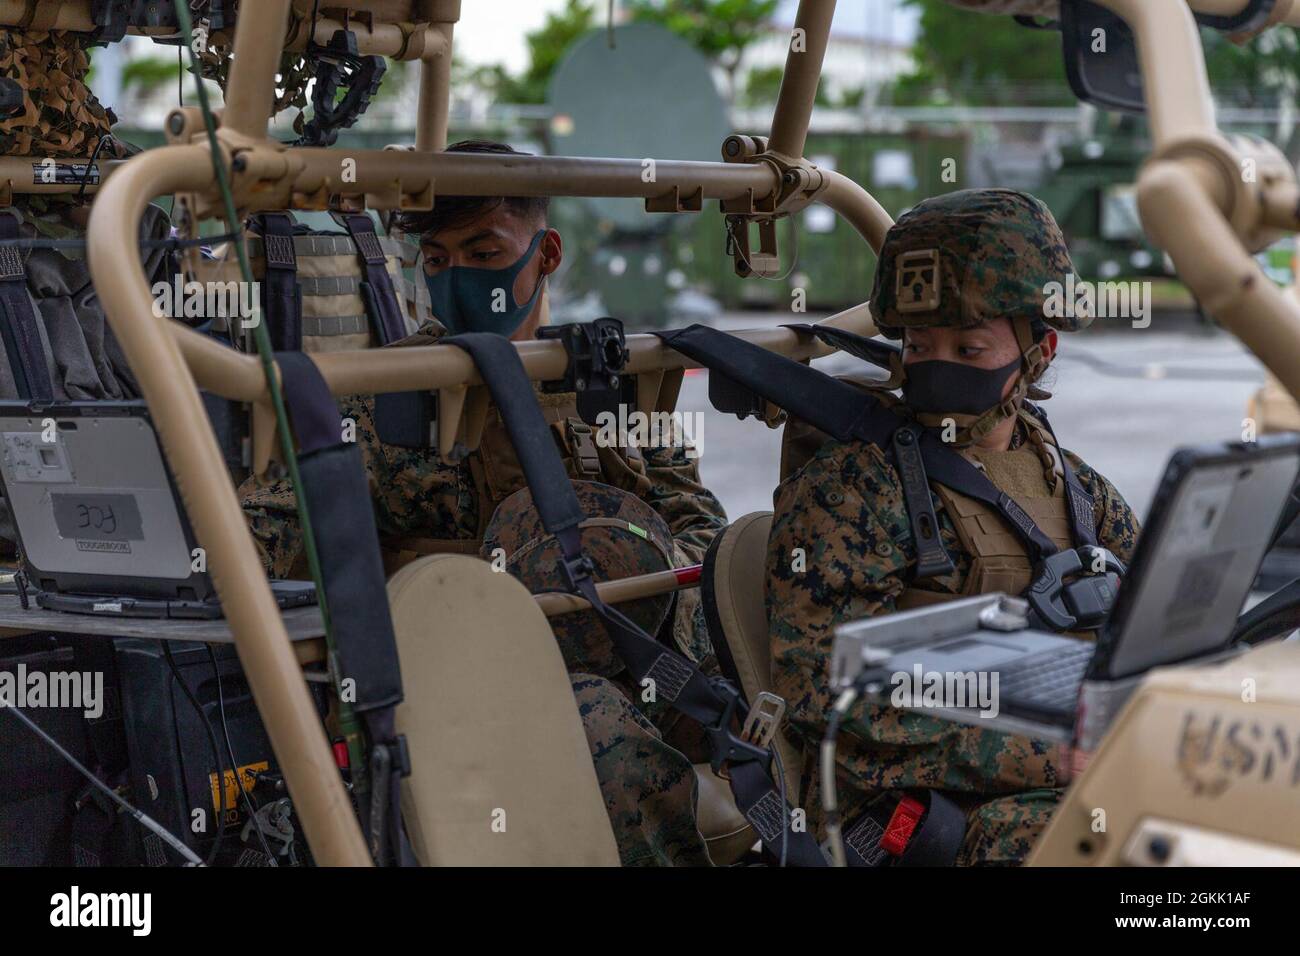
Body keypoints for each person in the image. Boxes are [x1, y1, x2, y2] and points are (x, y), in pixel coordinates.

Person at [240, 140, 728, 866]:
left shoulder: (607, 378)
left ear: (547, 253)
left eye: (482, 250)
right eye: (436, 261)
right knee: (602, 739)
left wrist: (638, 579)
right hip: (469, 684)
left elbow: (700, 530)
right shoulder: (390, 394)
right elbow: (269, 530)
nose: (458, 278)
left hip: (639, 665)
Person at [765, 188, 1141, 865]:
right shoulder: (852, 489)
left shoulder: (1077, 489)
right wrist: (1048, 758)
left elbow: (1146, 634)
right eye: (919, 346)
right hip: (929, 809)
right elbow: (832, 703)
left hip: (1071, 766)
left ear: (1040, 350)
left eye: (969, 348)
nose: (938, 369)